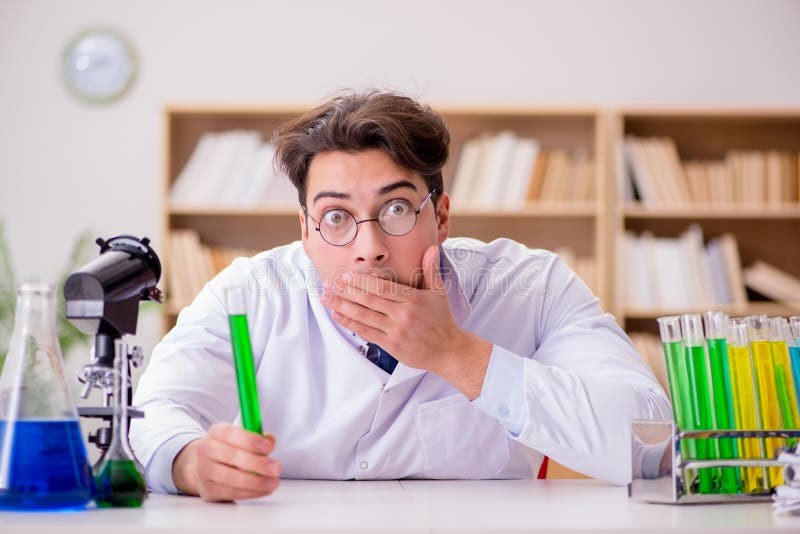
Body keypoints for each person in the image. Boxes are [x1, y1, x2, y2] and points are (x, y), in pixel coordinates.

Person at [130, 90, 671, 502]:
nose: (369, 249)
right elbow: (150, 413)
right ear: (305, 230)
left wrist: (460, 356)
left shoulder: (529, 285)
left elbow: (651, 440)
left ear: (440, 217)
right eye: (336, 217)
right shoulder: (250, 293)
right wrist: (190, 462)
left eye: (395, 209)